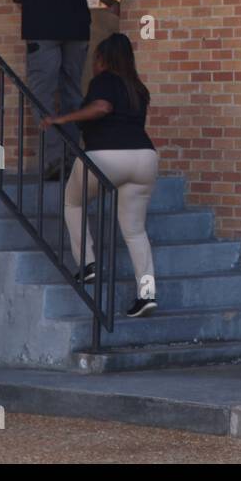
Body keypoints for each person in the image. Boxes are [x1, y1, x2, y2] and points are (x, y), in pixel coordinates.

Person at [5, 0, 119, 180]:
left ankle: (55, 159)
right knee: (72, 93)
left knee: (41, 93)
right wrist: (114, 5)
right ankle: (71, 157)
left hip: (41, 27)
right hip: (77, 27)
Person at [42, 33, 159, 318]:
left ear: (104, 59)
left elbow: (103, 107)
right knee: (135, 231)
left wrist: (62, 119)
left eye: (96, 59)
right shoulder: (138, 88)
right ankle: (146, 294)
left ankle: (88, 264)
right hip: (145, 158)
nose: (94, 65)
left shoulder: (105, 80)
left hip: (106, 156)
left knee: (74, 203)